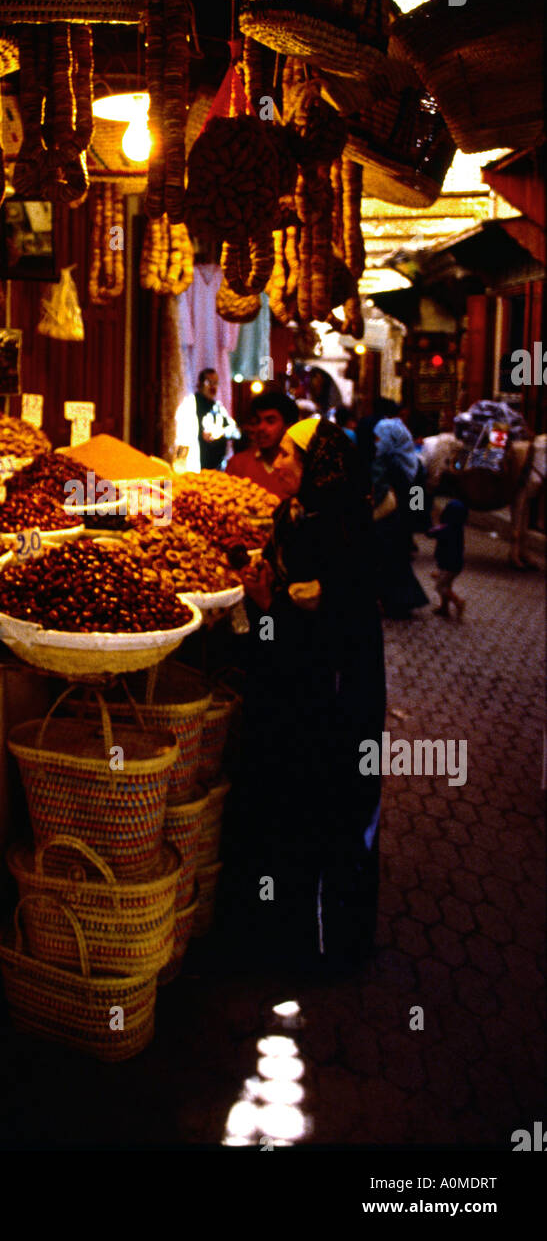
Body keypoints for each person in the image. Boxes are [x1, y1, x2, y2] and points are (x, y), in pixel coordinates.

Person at [222, 414, 386, 970]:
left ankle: (325, 944)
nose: (280, 462)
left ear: (320, 465)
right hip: (291, 687)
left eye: (292, 454)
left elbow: (334, 633)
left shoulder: (343, 531)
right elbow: (283, 619)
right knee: (282, 802)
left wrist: (274, 606)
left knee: (326, 804)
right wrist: (266, 602)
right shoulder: (288, 516)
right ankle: (275, 929)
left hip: (334, 698)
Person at [372, 417, 429, 619]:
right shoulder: (411, 462)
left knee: (392, 562)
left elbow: (417, 500)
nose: (377, 442)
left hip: (395, 520)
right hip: (398, 522)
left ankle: (399, 601)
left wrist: (411, 523)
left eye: (380, 438)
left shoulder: (394, 463)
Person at [227, 389, 300, 497]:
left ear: (288, 426)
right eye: (257, 422)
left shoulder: (298, 467)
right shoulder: (238, 465)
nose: (261, 428)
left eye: (270, 421)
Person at [174, 368, 240, 472]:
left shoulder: (218, 407)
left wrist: (221, 432)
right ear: (200, 384)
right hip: (196, 471)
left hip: (217, 471)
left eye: (216, 383)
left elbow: (236, 433)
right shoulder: (189, 405)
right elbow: (181, 439)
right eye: (209, 382)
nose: (213, 387)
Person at [427, 499, 468, 620]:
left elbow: (430, 532)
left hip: (448, 564)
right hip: (455, 564)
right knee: (447, 585)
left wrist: (428, 520)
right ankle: (444, 608)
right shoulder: (458, 528)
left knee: (440, 587)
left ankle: (458, 601)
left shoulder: (446, 527)